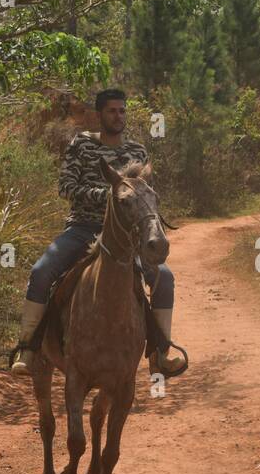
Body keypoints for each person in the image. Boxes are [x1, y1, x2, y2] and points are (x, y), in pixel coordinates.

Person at [10, 88, 185, 377]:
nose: (118, 116)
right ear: (99, 115)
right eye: (112, 111)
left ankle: (160, 354)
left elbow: (142, 192)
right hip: (82, 228)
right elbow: (66, 187)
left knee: (163, 278)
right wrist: (107, 194)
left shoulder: (137, 151)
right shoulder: (82, 145)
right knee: (42, 271)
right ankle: (28, 347)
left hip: (124, 237)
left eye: (122, 111)